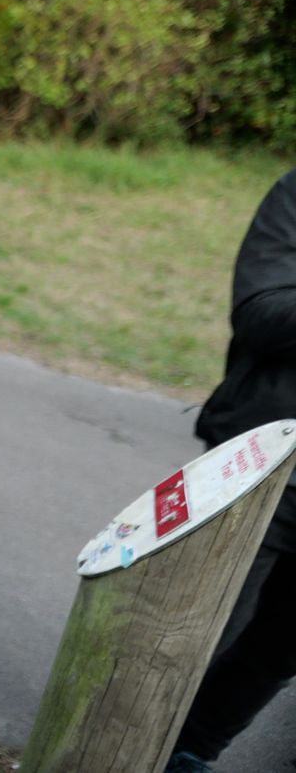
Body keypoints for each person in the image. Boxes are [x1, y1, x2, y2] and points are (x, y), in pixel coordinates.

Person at [166, 168, 296, 773]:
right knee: (200, 626)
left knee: (281, 643)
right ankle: (127, 746)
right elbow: (261, 311)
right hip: (269, 458)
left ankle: (191, 749)